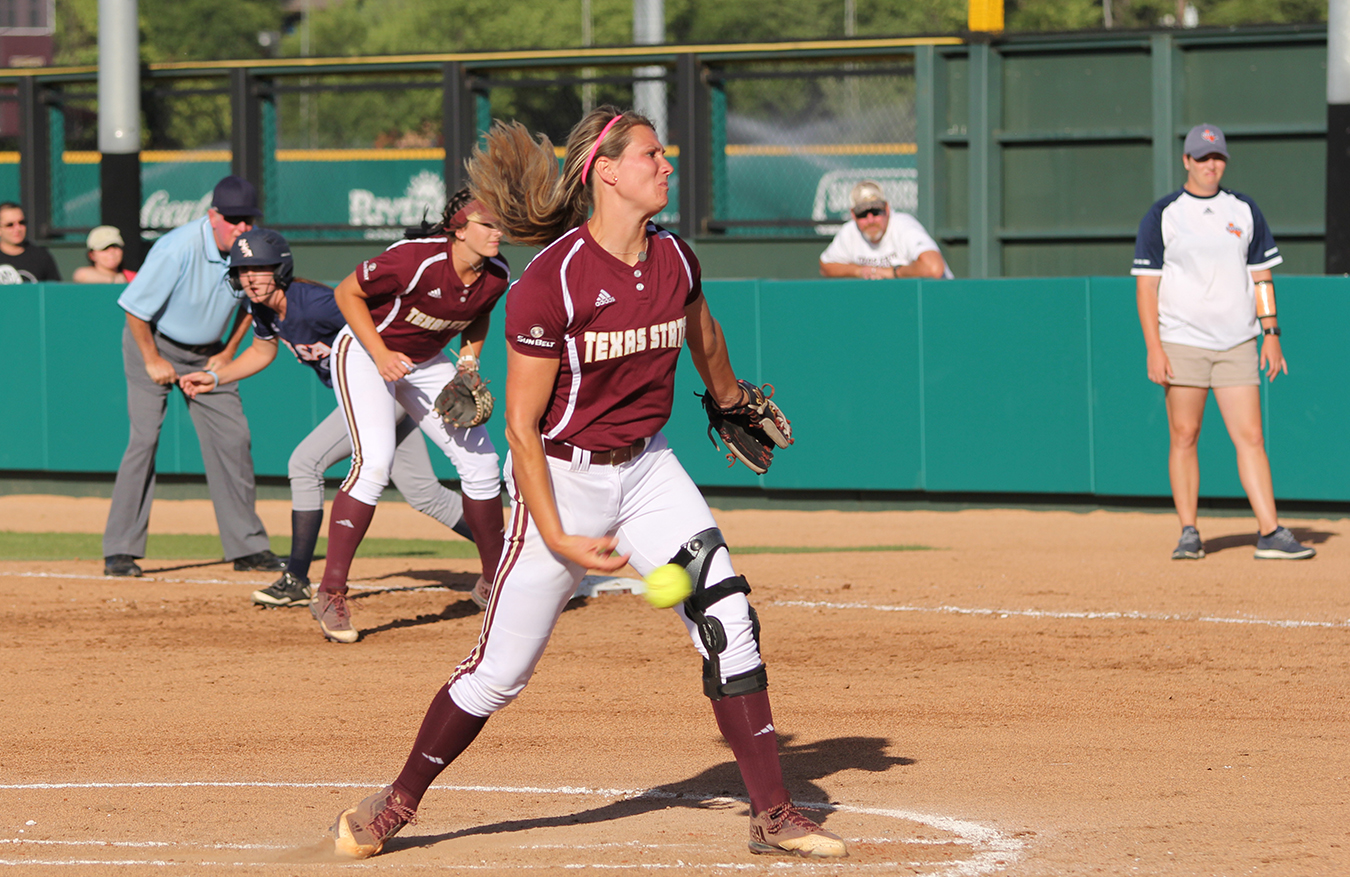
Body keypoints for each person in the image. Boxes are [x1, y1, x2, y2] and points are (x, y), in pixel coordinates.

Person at [324, 108, 848, 860]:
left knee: (728, 615)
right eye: (651, 156)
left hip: (649, 469)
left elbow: (701, 329)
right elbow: (520, 429)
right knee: (497, 675)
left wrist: (731, 398)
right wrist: (559, 536)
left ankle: (773, 813)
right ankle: (397, 801)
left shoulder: (676, 257)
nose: (666, 166)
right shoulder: (552, 280)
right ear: (606, 171)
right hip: (562, 479)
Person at [179, 228, 477, 608]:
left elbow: (383, 327)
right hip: (377, 397)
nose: (249, 278)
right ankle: (512, 554)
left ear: (280, 269)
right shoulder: (264, 308)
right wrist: (216, 377)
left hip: (384, 389)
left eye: (258, 269)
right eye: (241, 270)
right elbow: (261, 351)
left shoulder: (316, 305)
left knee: (305, 463)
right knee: (425, 493)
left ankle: (297, 578)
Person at [307, 187, 509, 644]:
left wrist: (468, 363)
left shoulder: (496, 272)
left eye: (500, 224)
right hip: (365, 352)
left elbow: (479, 315)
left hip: (427, 361)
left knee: (482, 463)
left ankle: (494, 580)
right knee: (375, 463)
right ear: (459, 230)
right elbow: (346, 292)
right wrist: (380, 354)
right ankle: (330, 591)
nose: (498, 233)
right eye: (488, 224)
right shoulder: (416, 259)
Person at [1133, 123, 1314, 561]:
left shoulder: (1244, 209)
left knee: (1251, 436)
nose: (1210, 165)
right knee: (1185, 434)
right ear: (1186, 161)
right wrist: (1154, 348)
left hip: (1237, 342)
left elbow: (1262, 277)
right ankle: (1189, 532)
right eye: (1201, 157)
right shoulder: (1164, 214)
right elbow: (1146, 287)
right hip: (1182, 341)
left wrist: (1271, 334)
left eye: (1217, 158)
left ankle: (1270, 532)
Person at [102, 175, 286, 577]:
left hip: (208, 353)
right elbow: (135, 310)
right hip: (154, 342)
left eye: (248, 219)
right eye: (233, 219)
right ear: (213, 215)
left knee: (233, 438)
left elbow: (253, 306)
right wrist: (153, 359)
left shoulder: (251, 250)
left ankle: (248, 548)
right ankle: (120, 550)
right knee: (144, 438)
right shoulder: (177, 247)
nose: (241, 227)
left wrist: (228, 351)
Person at [818, 181, 950, 280]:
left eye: (876, 211)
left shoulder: (903, 226)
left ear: (887, 208)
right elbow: (826, 266)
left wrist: (892, 272)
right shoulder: (849, 232)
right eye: (862, 214)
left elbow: (934, 268)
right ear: (853, 215)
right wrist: (859, 271)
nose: (870, 220)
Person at [0, 201, 61, 283]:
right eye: (10, 225)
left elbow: (54, 288)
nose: (18, 228)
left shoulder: (41, 256)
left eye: (21, 223)